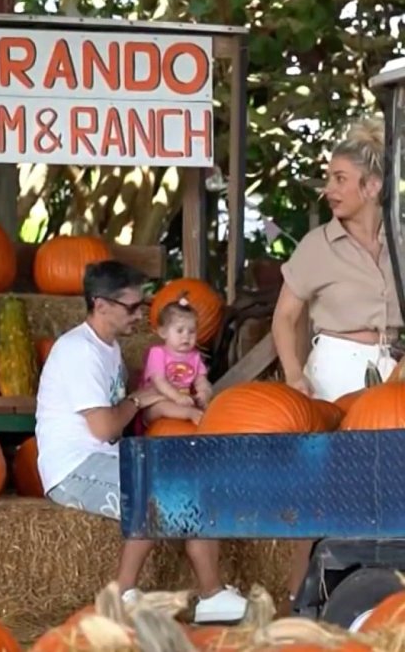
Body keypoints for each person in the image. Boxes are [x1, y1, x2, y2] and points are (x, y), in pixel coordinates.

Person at [35, 260, 248, 623]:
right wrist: (139, 398)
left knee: (192, 481)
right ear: (102, 305)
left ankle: (211, 596)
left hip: (102, 456)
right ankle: (123, 593)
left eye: (141, 305)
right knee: (153, 490)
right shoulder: (79, 352)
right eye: (132, 307)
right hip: (72, 469)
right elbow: (104, 428)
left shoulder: (108, 347)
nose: (140, 315)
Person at [271, 114, 396, 600]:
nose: (329, 190)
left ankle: (380, 591)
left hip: (394, 369)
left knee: (390, 484)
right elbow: (285, 317)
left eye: (340, 179)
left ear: (372, 186)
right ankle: (297, 599)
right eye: (329, 179)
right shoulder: (316, 246)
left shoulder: (399, 241)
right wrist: (294, 375)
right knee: (321, 488)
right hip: (336, 369)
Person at [139, 297, 213, 427]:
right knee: (161, 407)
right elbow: (159, 381)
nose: (186, 336)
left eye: (191, 331)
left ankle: (193, 417)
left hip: (184, 399)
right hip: (157, 399)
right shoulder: (157, 353)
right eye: (180, 331)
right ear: (163, 332)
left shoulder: (195, 356)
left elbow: (201, 380)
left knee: (208, 406)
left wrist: (204, 392)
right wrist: (177, 397)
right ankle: (188, 414)